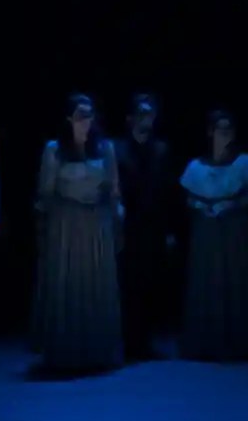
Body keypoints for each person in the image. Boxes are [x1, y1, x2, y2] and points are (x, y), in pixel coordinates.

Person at [30, 93, 124, 377]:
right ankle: (66, 352)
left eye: (90, 115)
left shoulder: (105, 149)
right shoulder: (54, 150)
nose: (87, 121)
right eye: (81, 115)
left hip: (97, 222)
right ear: (69, 118)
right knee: (68, 284)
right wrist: (44, 227)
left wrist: (117, 220)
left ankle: (97, 351)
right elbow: (45, 192)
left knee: (96, 284)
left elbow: (114, 189)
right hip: (66, 225)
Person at [179, 110, 248, 361]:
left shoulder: (243, 162)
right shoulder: (196, 166)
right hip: (207, 229)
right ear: (210, 132)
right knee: (207, 279)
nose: (225, 134)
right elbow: (188, 196)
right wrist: (200, 206)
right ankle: (206, 341)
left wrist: (232, 206)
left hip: (234, 227)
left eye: (229, 129)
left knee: (235, 279)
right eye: (220, 129)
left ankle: (238, 341)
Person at [112, 93, 179, 360]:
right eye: (141, 113)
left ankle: (145, 342)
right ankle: (129, 342)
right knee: (127, 284)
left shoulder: (162, 149)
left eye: (150, 113)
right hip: (126, 225)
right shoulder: (116, 148)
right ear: (130, 118)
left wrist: (170, 230)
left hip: (153, 227)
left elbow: (168, 192)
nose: (146, 119)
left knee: (150, 283)